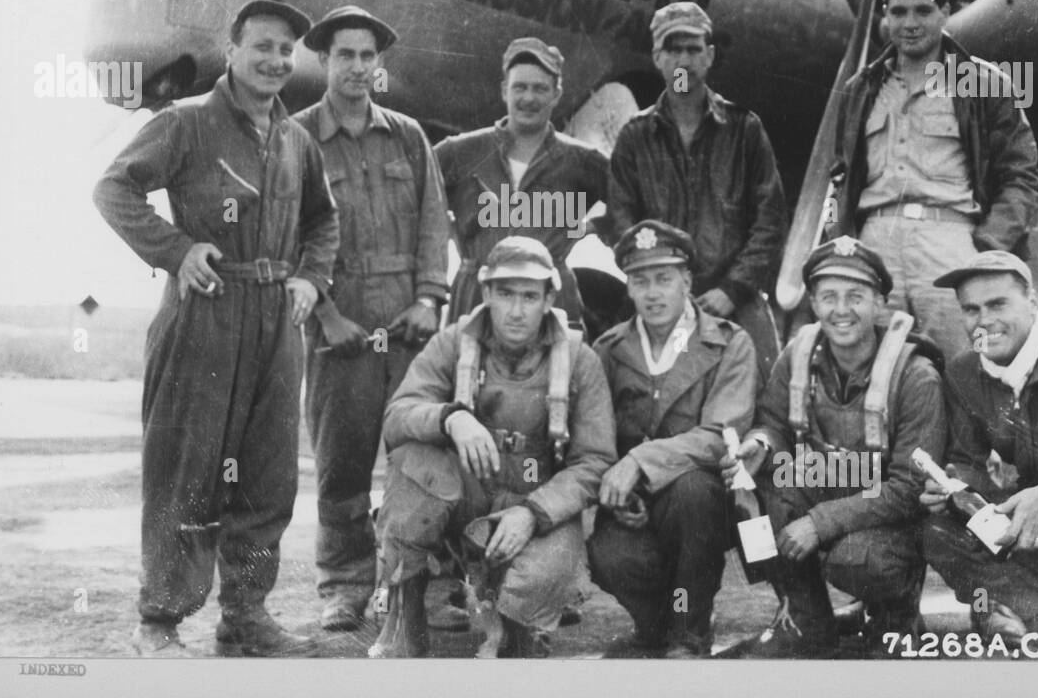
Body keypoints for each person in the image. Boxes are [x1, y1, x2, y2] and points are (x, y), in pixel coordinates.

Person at [94, 0, 340, 657]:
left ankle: (247, 616)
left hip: (275, 321)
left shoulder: (296, 140)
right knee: (186, 468)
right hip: (203, 311)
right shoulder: (187, 122)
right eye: (262, 46)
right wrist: (176, 251)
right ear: (232, 50)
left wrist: (311, 280)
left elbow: (323, 221)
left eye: (286, 50)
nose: (275, 61)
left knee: (267, 476)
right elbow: (115, 188)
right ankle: (160, 621)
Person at [369, 237, 616, 658]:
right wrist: (451, 417)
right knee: (415, 459)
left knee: (538, 585)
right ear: (486, 293)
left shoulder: (579, 358)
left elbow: (594, 461)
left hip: (534, 498)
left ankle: (516, 626)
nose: (516, 311)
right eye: (505, 294)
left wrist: (533, 513)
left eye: (529, 296)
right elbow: (397, 416)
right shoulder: (453, 343)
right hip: (467, 491)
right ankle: (404, 611)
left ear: (549, 298)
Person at [292, 5, 450, 631]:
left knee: (422, 456)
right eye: (344, 56)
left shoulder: (408, 135)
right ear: (324, 61)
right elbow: (287, 236)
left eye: (367, 56)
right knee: (343, 462)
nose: (357, 67)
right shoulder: (296, 136)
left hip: (408, 323)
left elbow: (434, 221)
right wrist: (326, 315)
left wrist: (430, 297)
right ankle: (345, 584)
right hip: (340, 325)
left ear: (378, 64)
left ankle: (427, 582)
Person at [830, 0, 1038, 359]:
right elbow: (840, 175)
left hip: (950, 243)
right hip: (875, 244)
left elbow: (1023, 178)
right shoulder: (861, 87)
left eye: (923, 10)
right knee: (871, 369)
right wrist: (838, 239)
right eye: (898, 12)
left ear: (945, 11)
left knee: (969, 369)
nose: (910, 23)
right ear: (885, 17)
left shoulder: (984, 82)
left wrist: (986, 248)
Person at [745, 236, 947, 657]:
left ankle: (894, 619)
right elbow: (775, 423)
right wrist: (760, 443)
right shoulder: (797, 356)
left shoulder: (915, 375)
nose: (841, 310)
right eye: (829, 297)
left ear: (879, 303)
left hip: (890, 513)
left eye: (855, 296)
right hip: (832, 485)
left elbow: (911, 487)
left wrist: (821, 522)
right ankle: (804, 617)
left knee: (858, 559)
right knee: (753, 490)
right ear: (814, 304)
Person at [587, 221, 757, 657]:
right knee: (609, 556)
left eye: (664, 279)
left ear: (687, 280)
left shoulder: (728, 343)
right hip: (632, 500)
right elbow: (595, 435)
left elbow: (723, 435)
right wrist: (617, 484)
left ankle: (689, 631)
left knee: (692, 492)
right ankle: (656, 624)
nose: (653, 293)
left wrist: (641, 460)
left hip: (699, 502)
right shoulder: (608, 349)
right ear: (627, 287)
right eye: (640, 281)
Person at [609, 1, 786, 391]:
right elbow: (623, 225)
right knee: (633, 390)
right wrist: (663, 288)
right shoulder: (633, 138)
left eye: (693, 49)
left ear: (710, 56)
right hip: (660, 300)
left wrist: (731, 290)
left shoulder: (745, 130)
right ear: (657, 57)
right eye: (673, 49)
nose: (684, 60)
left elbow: (770, 223)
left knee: (767, 395)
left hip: (734, 301)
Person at [919, 251, 1038, 659]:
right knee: (936, 528)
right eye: (971, 309)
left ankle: (1002, 610)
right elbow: (968, 459)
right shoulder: (964, 370)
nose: (983, 320)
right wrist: (952, 486)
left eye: (997, 304)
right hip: (1032, 519)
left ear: (1032, 302)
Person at [435, 37, 611, 330]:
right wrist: (446, 228)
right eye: (520, 87)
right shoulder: (461, 151)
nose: (529, 98)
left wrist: (591, 228)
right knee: (466, 371)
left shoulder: (581, 160)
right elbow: (409, 197)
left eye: (540, 88)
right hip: (476, 294)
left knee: (557, 373)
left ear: (557, 94)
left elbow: (637, 203)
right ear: (505, 90)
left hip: (551, 296)